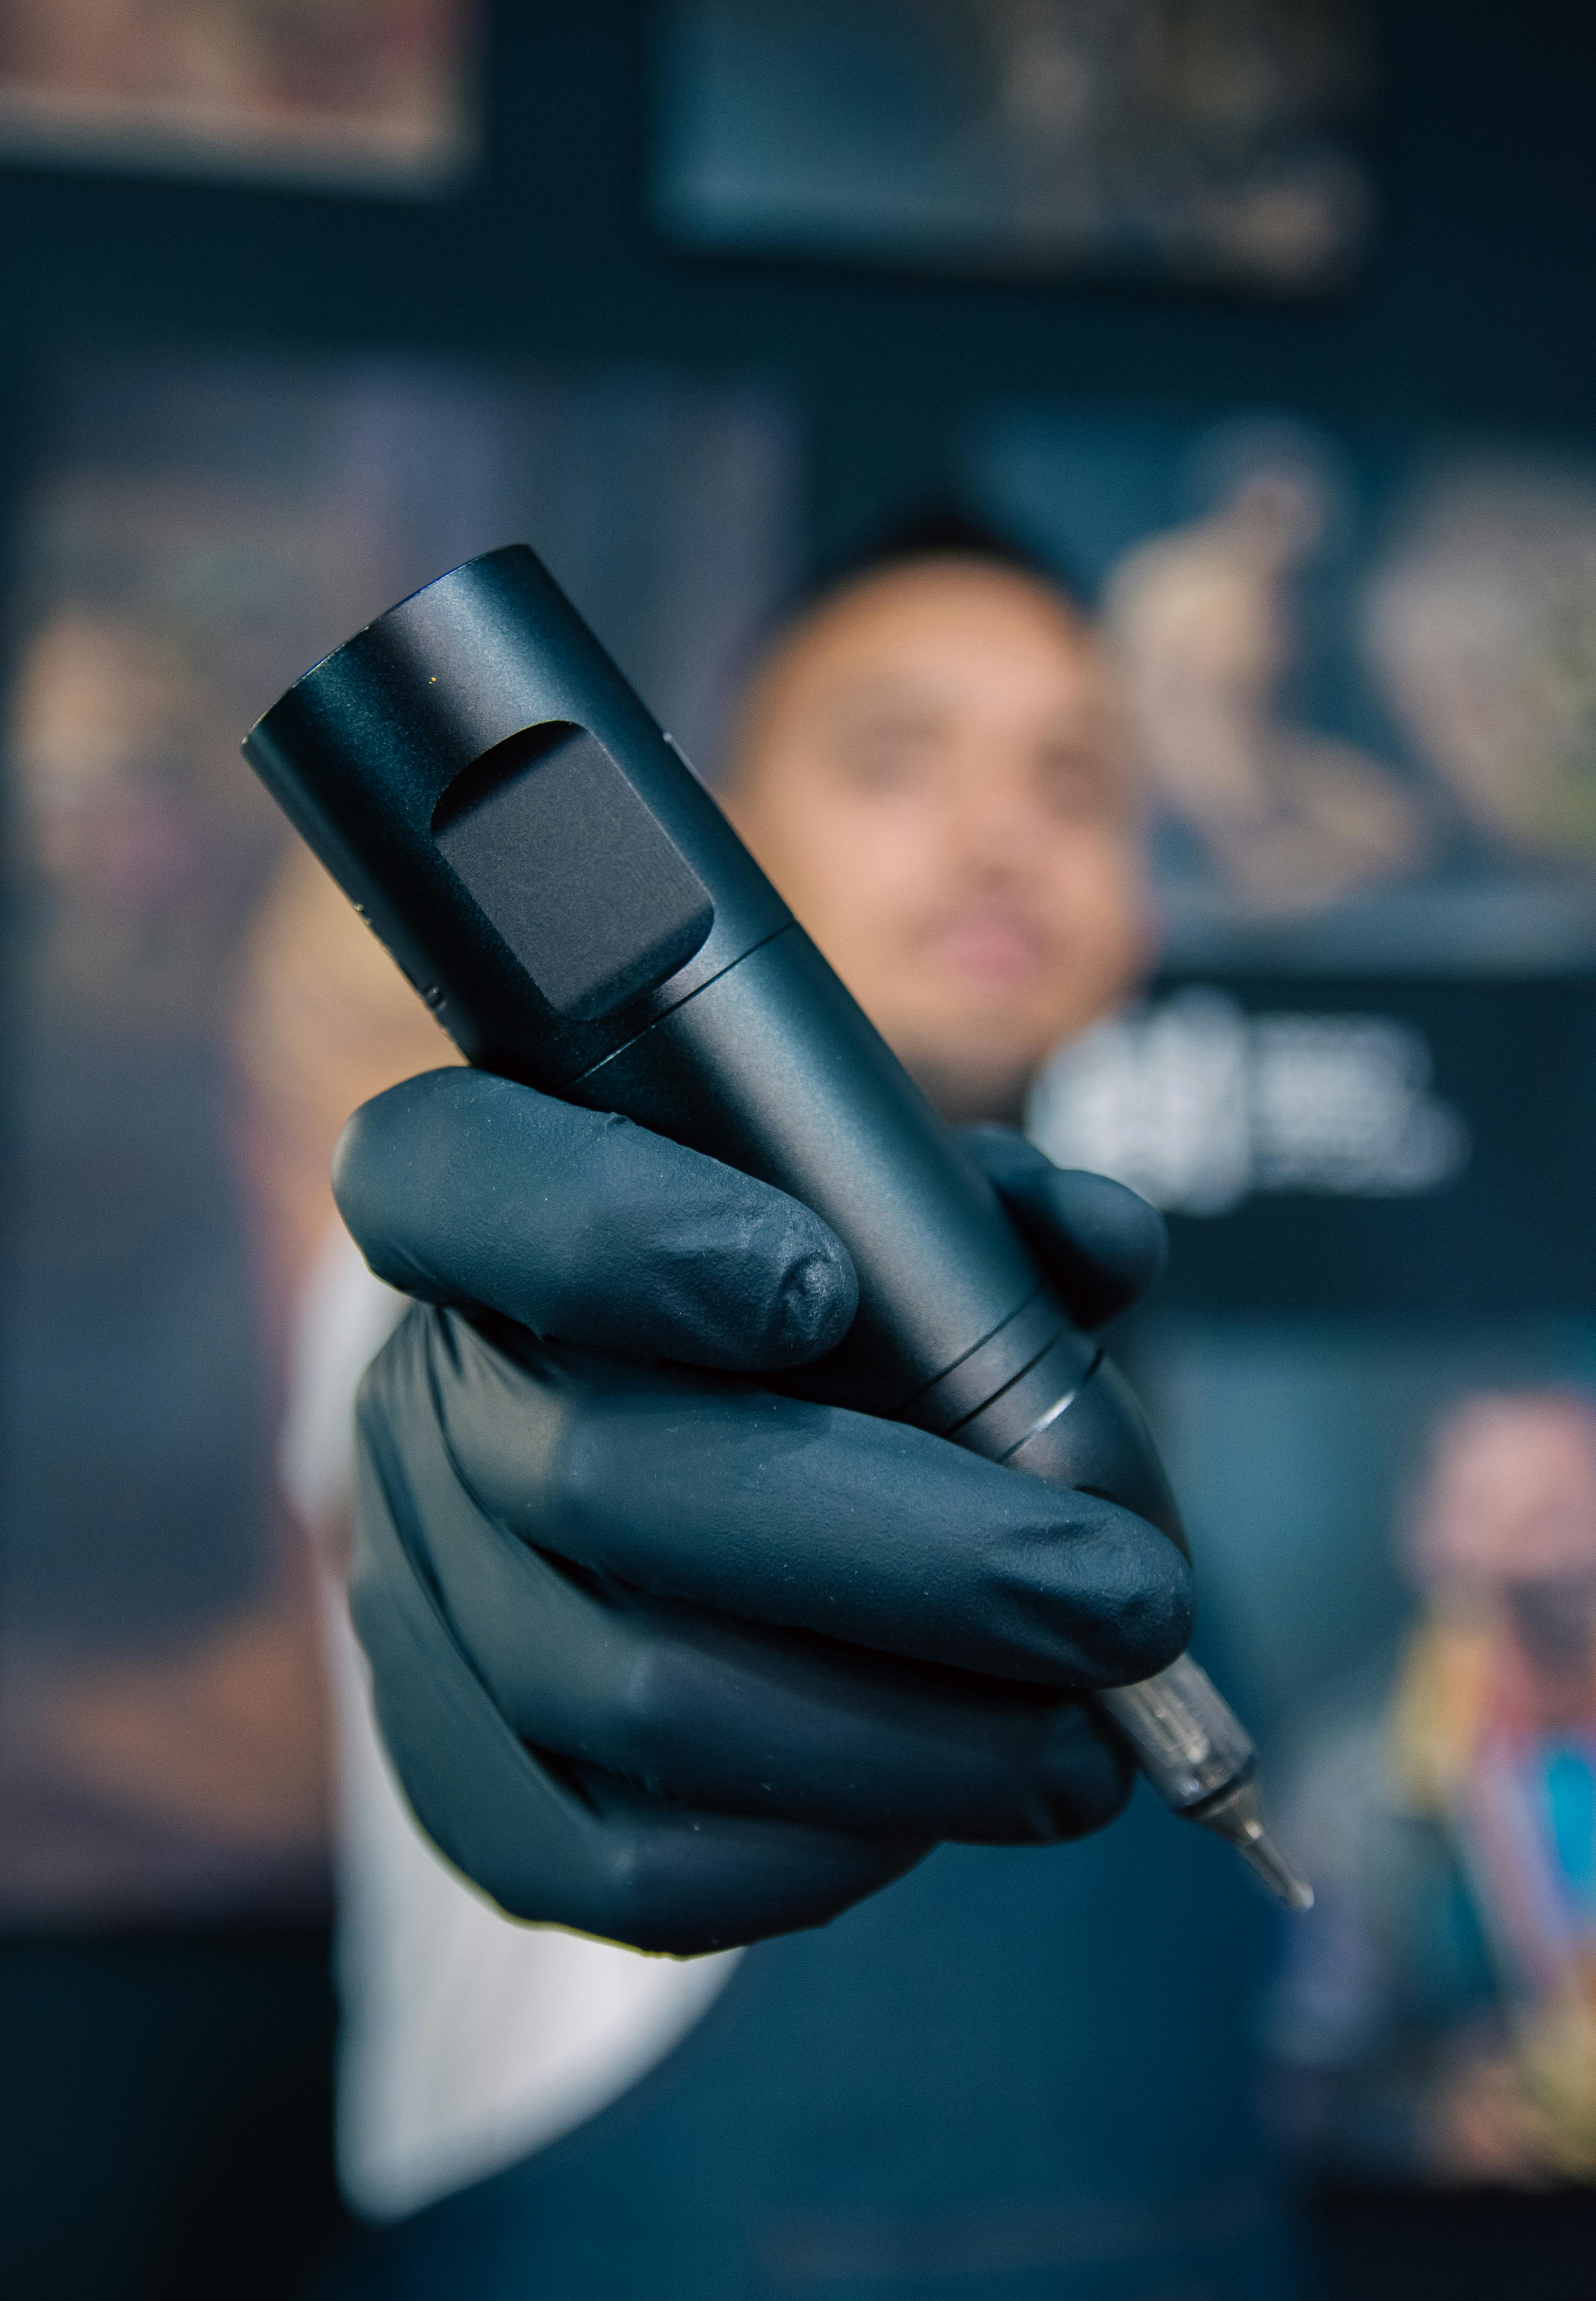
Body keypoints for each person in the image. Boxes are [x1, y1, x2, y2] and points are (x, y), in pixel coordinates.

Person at [253, 515, 1294, 2297]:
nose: (996, 838)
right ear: (717, 831)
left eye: (1073, 779)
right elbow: (404, 1439)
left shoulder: (1123, 1326)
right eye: (896, 759)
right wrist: (495, 1420)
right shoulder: (516, 1281)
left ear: (1143, 898)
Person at [1268, 1387, 1596, 2187]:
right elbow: (1305, 2069)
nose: (1564, 1552)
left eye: (1577, 1506)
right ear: (1433, 1539)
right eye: (1521, 1517)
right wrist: (1427, 2129)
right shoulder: (1354, 1783)